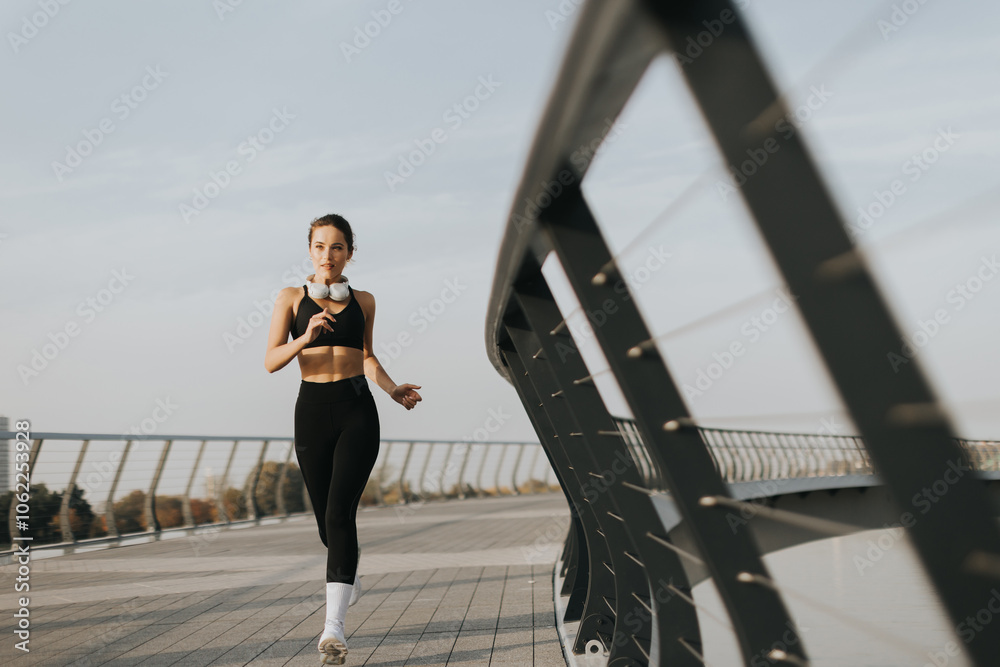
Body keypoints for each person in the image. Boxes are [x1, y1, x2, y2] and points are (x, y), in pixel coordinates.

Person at [265, 213, 422, 665]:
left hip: (357, 411)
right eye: (319, 246)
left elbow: (367, 355)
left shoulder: (365, 301)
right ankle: (348, 571)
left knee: (339, 512)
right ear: (309, 251)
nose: (327, 255)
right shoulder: (290, 298)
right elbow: (271, 360)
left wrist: (391, 389)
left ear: (350, 252)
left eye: (336, 247)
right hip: (311, 412)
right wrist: (306, 337)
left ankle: (333, 628)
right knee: (327, 525)